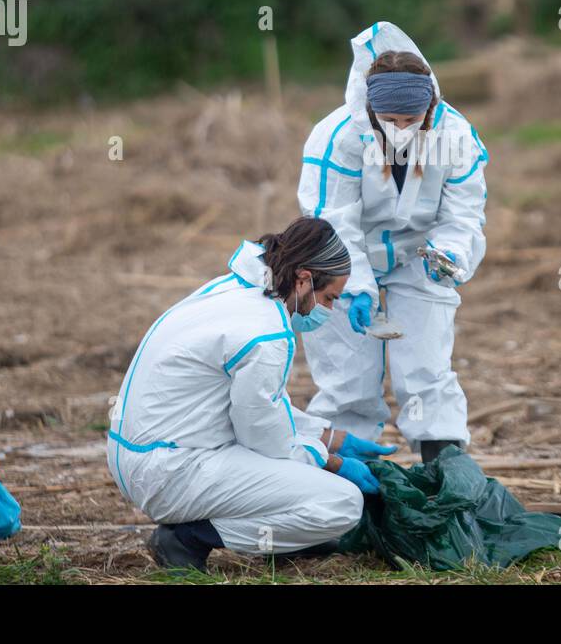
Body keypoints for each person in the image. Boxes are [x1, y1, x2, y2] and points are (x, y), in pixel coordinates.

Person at [106, 216, 396, 571]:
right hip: (170, 471)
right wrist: (330, 462)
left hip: (142, 454)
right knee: (342, 503)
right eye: (329, 297)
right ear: (304, 279)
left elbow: (261, 404)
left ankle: (288, 535)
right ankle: (189, 538)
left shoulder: (234, 291)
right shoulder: (266, 332)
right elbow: (264, 439)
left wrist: (331, 437)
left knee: (309, 477)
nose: (330, 309)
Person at [297, 21, 489, 463]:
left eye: (411, 120)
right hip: (344, 258)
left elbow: (463, 211)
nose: (401, 128)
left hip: (419, 255)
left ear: (429, 107)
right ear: (370, 109)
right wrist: (358, 285)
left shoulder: (454, 136)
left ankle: (445, 472)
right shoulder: (338, 137)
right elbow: (334, 222)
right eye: (389, 120)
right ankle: (347, 478)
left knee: (427, 369)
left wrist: (450, 254)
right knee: (347, 380)